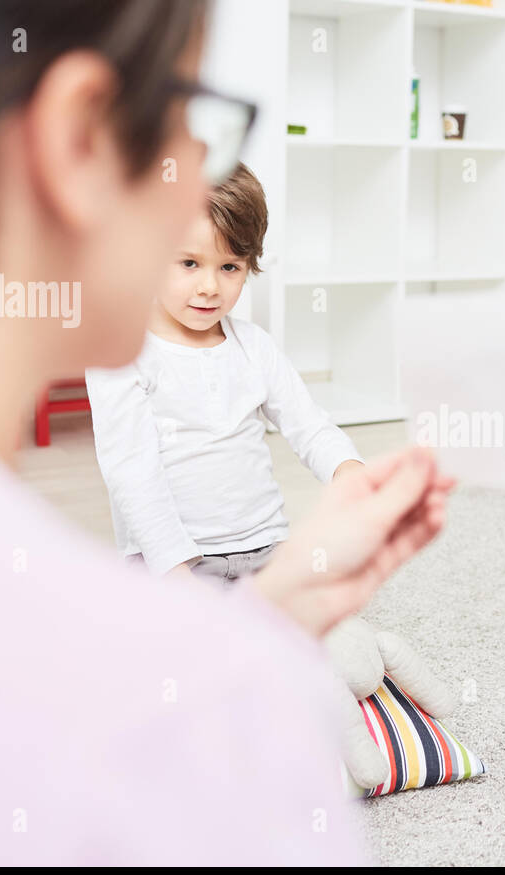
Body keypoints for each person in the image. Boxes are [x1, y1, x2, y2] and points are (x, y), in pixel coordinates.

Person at [0, 0, 451, 865]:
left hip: (255, 559)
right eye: (197, 120)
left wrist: (264, 617)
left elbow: (303, 422)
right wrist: (228, 673)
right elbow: (135, 492)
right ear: (79, 137)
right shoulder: (200, 735)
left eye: (229, 266)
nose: (207, 278)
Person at [86, 163, 365, 586]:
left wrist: (348, 471)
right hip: (175, 561)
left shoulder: (253, 346)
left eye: (229, 267)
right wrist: (176, 575)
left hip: (267, 547)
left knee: (321, 626)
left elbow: (308, 424)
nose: (209, 287)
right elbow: (132, 472)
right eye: (189, 263)